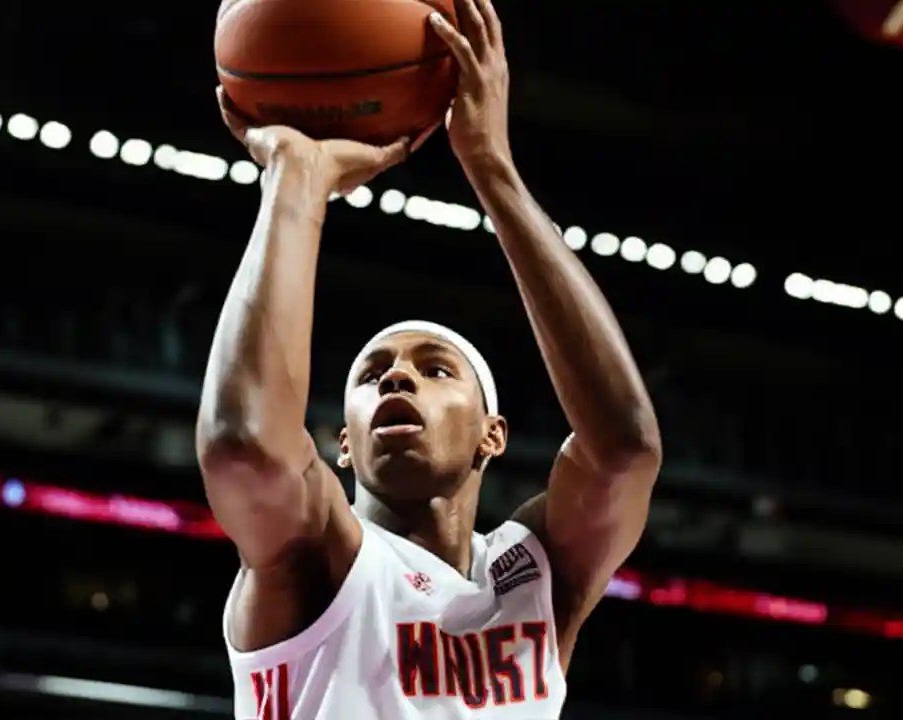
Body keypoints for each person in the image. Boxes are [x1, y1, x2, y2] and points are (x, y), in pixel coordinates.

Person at [195, 0, 661, 717]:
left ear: (492, 434)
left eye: (437, 368)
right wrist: (296, 177)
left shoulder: (533, 582)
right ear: (342, 444)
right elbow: (243, 448)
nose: (398, 376)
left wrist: (492, 169)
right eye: (372, 373)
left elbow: (626, 449)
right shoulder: (317, 561)